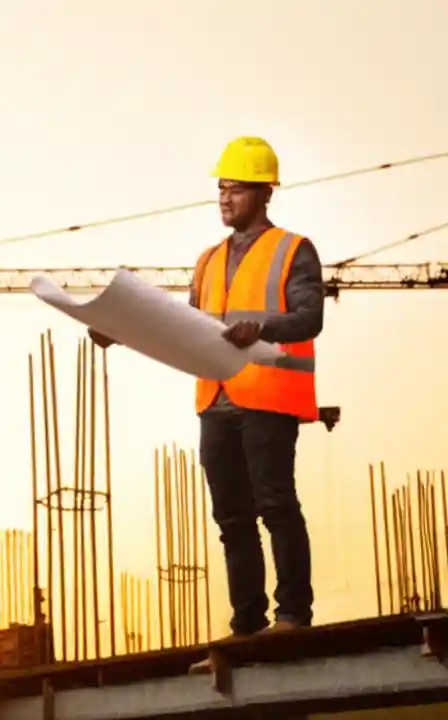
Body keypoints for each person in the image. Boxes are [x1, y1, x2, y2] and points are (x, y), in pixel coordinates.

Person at [90, 136, 325, 643]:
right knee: (232, 518)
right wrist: (122, 332)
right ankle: (247, 624)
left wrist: (259, 326)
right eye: (221, 188)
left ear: (264, 194)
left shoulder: (293, 250)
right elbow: (184, 325)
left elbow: (310, 317)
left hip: (268, 396)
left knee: (276, 504)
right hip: (215, 403)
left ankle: (293, 616)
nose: (224, 198)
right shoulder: (207, 260)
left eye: (236, 189)